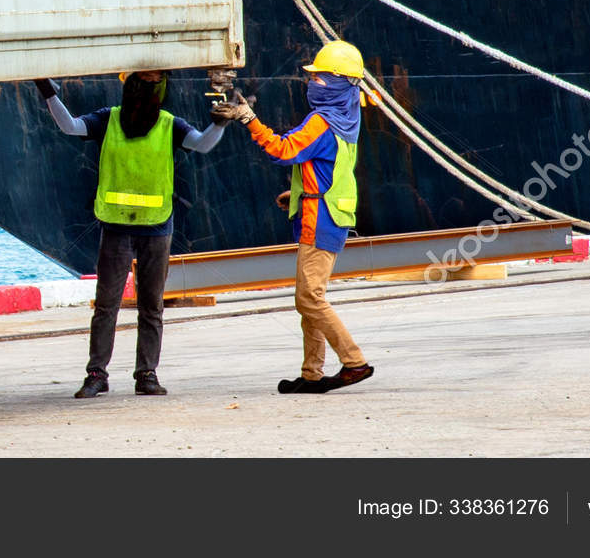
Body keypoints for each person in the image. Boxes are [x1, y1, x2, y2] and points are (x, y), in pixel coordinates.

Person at [34, 71, 230, 398]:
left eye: (153, 83)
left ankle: (146, 374)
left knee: (150, 306)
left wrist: (219, 124)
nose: (146, 90)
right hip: (118, 226)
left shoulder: (168, 124)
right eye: (143, 82)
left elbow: (201, 143)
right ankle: (97, 374)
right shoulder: (109, 119)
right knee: (108, 306)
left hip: (155, 226)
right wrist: (49, 94)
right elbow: (70, 126)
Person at [213, 40, 376, 395]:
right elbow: (332, 168)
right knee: (310, 298)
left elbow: (283, 151)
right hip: (329, 211)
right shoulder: (348, 119)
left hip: (320, 219)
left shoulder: (321, 122)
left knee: (309, 299)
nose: (312, 83)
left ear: (338, 83)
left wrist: (249, 119)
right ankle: (312, 373)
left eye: (319, 78)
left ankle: (353, 362)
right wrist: (299, 194)